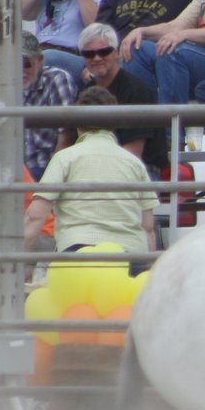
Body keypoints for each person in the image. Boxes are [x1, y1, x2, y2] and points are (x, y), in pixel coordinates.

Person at [24, 86, 157, 254]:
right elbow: (148, 228)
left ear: (78, 124)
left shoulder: (64, 158)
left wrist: (17, 263)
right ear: (114, 124)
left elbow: (35, 216)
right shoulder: (135, 163)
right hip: (130, 255)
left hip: (78, 252)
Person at [77, 22, 164, 171]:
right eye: (89, 54)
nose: (96, 58)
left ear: (116, 53)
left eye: (104, 52)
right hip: (96, 168)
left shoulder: (136, 91)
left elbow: (133, 155)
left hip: (141, 171)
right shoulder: (85, 92)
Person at [21, 33, 79, 181]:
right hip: (14, 170)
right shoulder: (3, 86)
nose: (19, 70)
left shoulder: (57, 79)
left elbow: (66, 138)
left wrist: (50, 181)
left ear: (40, 60)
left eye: (25, 63)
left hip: (47, 168)